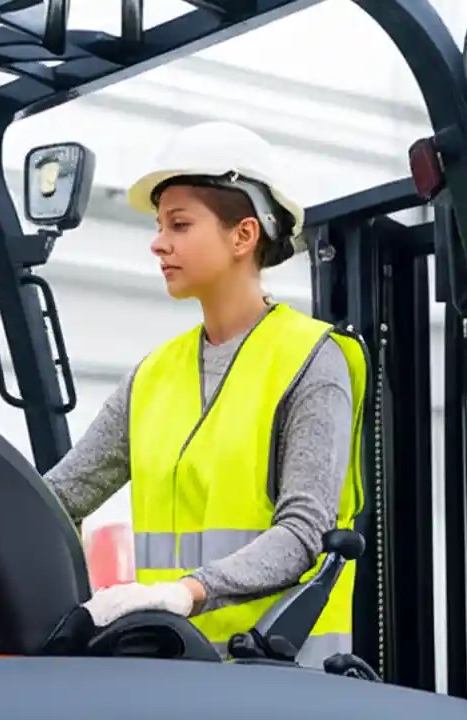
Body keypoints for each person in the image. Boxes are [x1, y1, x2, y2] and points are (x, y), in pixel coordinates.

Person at [43, 120, 369, 666]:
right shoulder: (153, 376)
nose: (158, 242)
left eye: (179, 224)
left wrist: (183, 593)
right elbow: (61, 495)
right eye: (158, 225)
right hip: (178, 675)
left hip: (286, 684)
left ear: (243, 236)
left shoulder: (311, 360)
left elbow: (303, 532)